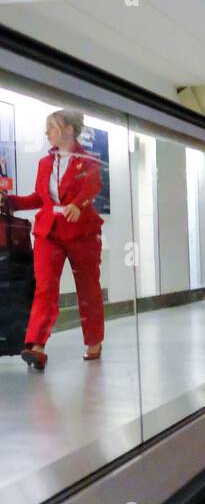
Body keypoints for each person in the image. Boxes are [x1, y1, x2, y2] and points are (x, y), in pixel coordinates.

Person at [0, 107, 104, 370]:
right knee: (44, 288)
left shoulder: (89, 159)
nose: (46, 132)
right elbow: (39, 198)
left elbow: (92, 185)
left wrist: (78, 205)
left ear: (68, 129)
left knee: (88, 288)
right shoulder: (45, 163)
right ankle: (36, 345)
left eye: (52, 127)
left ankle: (93, 340)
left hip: (82, 232)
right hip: (49, 233)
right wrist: (9, 201)